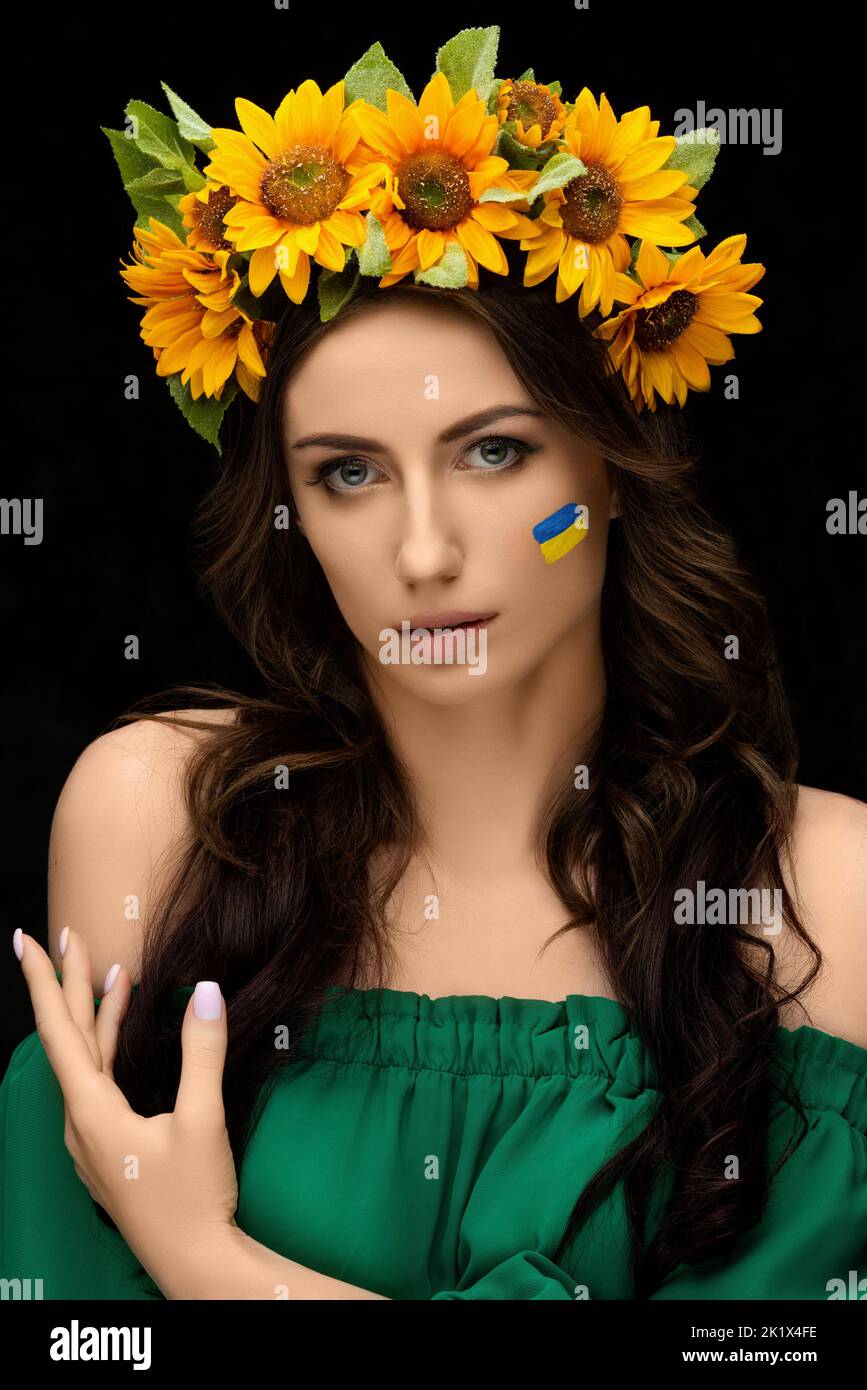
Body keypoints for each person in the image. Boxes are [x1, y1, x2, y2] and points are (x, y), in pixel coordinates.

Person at [3, 271, 865, 1300]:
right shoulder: (154, 819)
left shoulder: (829, 895)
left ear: (619, 464)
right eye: (349, 473)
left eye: (495, 451)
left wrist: (206, 1260)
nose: (423, 553)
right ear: (289, 509)